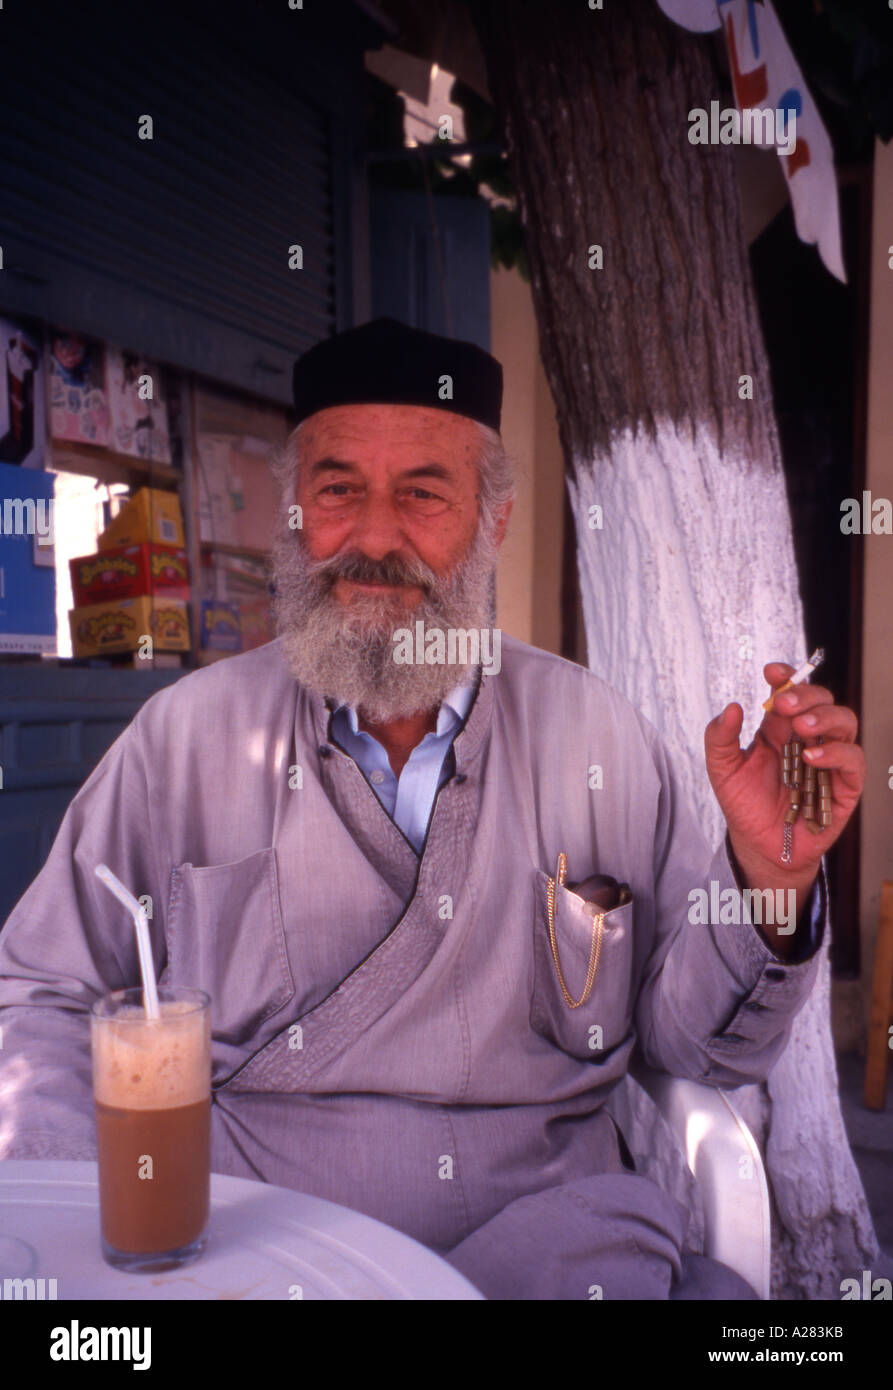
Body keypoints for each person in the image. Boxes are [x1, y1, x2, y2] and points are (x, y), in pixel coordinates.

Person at [0, 318, 864, 1300]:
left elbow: (699, 1046)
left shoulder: (596, 739)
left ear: (491, 521)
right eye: (337, 490)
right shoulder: (181, 740)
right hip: (253, 1254)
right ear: (294, 514)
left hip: (545, 1245)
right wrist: (82, 1222)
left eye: (422, 492)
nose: (373, 538)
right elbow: (43, 997)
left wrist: (768, 875)